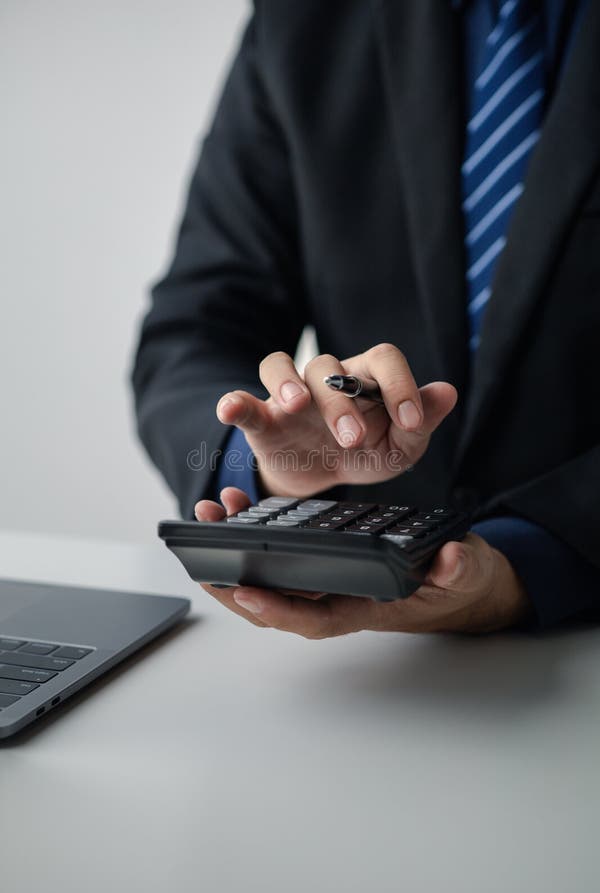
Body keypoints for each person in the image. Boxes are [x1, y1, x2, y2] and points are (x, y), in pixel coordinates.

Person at [132, 0, 600, 638]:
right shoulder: (303, 19)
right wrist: (266, 464)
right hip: (368, 679)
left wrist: (530, 559)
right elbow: (193, 331)